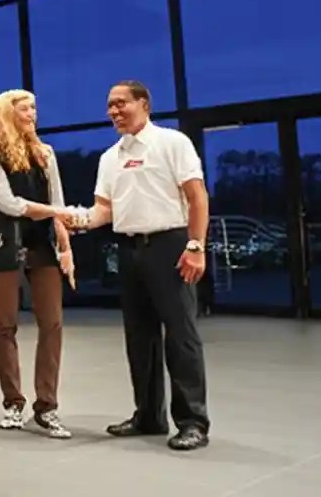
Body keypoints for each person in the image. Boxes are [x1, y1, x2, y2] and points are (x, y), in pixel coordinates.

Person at [64, 80, 211, 451]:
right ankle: (148, 416)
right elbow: (104, 210)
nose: (114, 111)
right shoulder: (109, 157)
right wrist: (74, 219)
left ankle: (193, 422)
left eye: (121, 103)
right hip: (130, 251)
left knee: (181, 336)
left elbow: (196, 196)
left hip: (172, 245)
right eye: (110, 106)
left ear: (144, 104)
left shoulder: (172, 143)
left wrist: (196, 245)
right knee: (139, 338)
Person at [0, 90, 75, 439]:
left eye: (34, 107)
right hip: (3, 245)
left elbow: (58, 203)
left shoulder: (45, 153)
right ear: (6, 113)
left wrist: (66, 247)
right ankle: (12, 404)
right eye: (24, 108)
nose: (32, 113)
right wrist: (56, 212)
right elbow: (9, 204)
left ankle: (46, 407)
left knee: (53, 323)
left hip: (40, 245)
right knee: (5, 325)